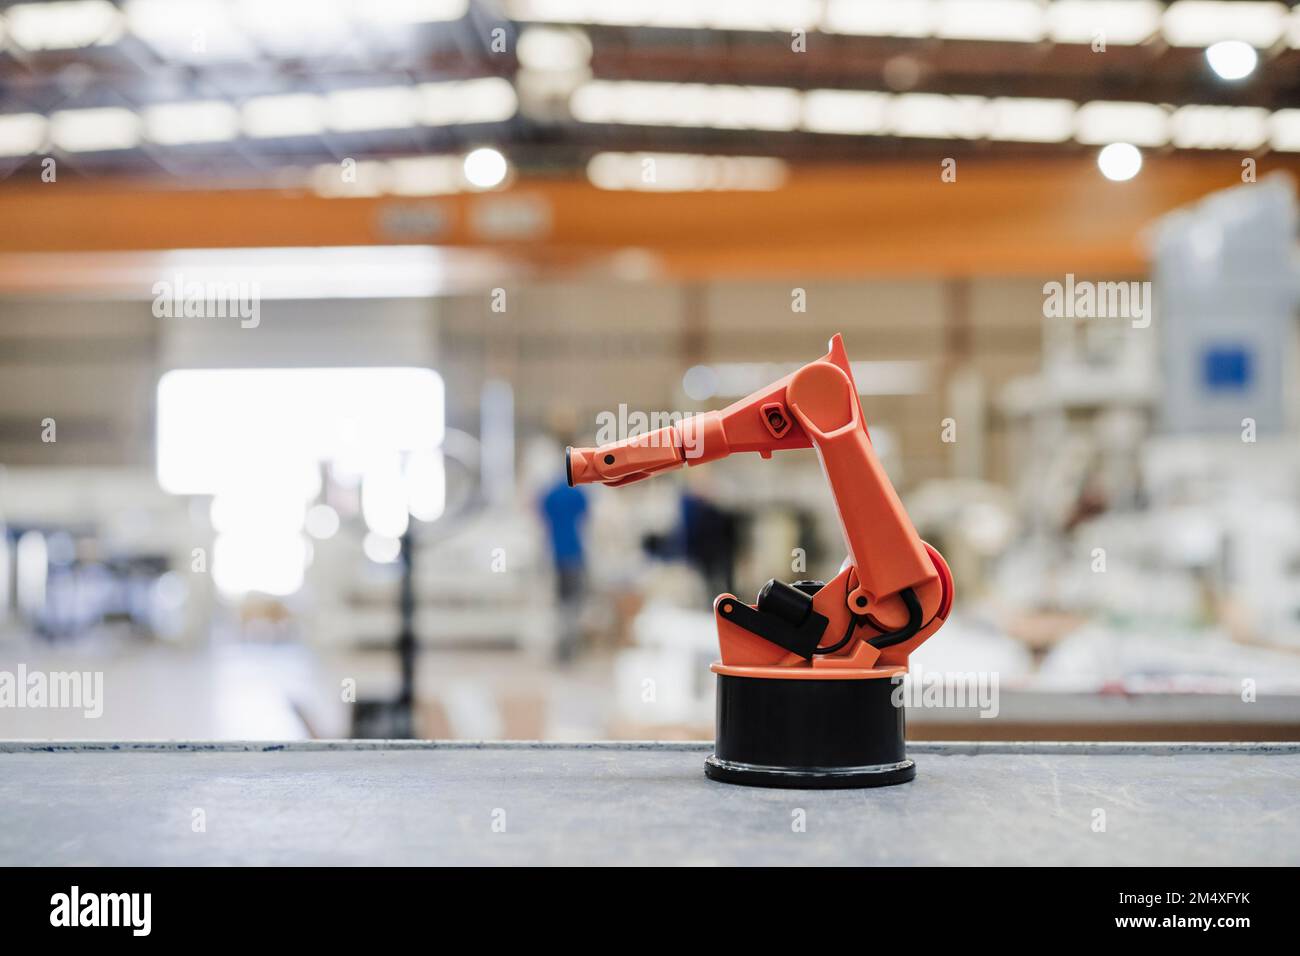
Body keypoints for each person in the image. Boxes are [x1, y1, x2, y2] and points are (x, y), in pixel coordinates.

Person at [538, 472, 589, 662]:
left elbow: (542, 519)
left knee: (560, 603)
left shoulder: (549, 494)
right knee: (573, 602)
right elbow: (585, 520)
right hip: (574, 552)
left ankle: (562, 647)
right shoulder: (578, 493)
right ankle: (569, 647)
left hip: (554, 552)